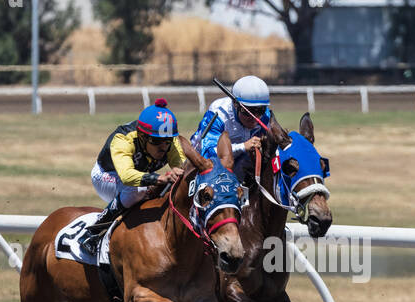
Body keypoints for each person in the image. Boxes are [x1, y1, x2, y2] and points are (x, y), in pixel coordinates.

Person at [79, 99, 187, 256]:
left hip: (138, 177)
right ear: (142, 137)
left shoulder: (169, 140)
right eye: (156, 141)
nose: (163, 147)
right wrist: (159, 178)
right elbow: (126, 176)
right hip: (107, 176)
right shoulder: (123, 139)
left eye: (167, 142)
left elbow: (182, 167)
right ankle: (94, 232)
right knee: (137, 190)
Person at [194, 75, 272, 167]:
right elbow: (208, 153)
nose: (255, 118)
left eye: (260, 110)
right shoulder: (218, 114)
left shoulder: (266, 115)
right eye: (248, 111)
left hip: (242, 162)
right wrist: (243, 146)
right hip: (206, 163)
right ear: (235, 104)